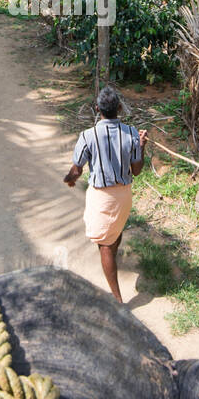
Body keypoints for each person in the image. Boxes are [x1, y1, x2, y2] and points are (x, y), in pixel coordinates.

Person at [63, 85, 148, 302]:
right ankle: (113, 261)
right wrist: (142, 146)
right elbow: (136, 171)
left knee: (104, 246)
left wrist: (70, 179)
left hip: (102, 198)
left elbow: (77, 168)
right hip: (124, 196)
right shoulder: (132, 133)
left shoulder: (87, 135)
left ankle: (117, 300)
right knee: (113, 234)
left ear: (97, 109)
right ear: (119, 107)